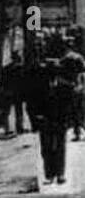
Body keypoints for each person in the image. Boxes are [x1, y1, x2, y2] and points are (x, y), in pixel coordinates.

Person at [24, 57, 72, 185]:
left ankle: (60, 174)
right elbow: (31, 104)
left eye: (55, 71)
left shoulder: (65, 86)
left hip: (60, 121)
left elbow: (70, 105)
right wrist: (36, 118)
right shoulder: (39, 87)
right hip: (45, 121)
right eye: (50, 71)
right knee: (46, 148)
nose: (52, 74)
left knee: (60, 147)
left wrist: (68, 121)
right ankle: (49, 174)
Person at [59, 45, 85, 142]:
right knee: (81, 111)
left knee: (74, 113)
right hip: (81, 88)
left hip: (70, 89)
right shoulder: (79, 57)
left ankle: (77, 133)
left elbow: (60, 76)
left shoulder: (64, 59)